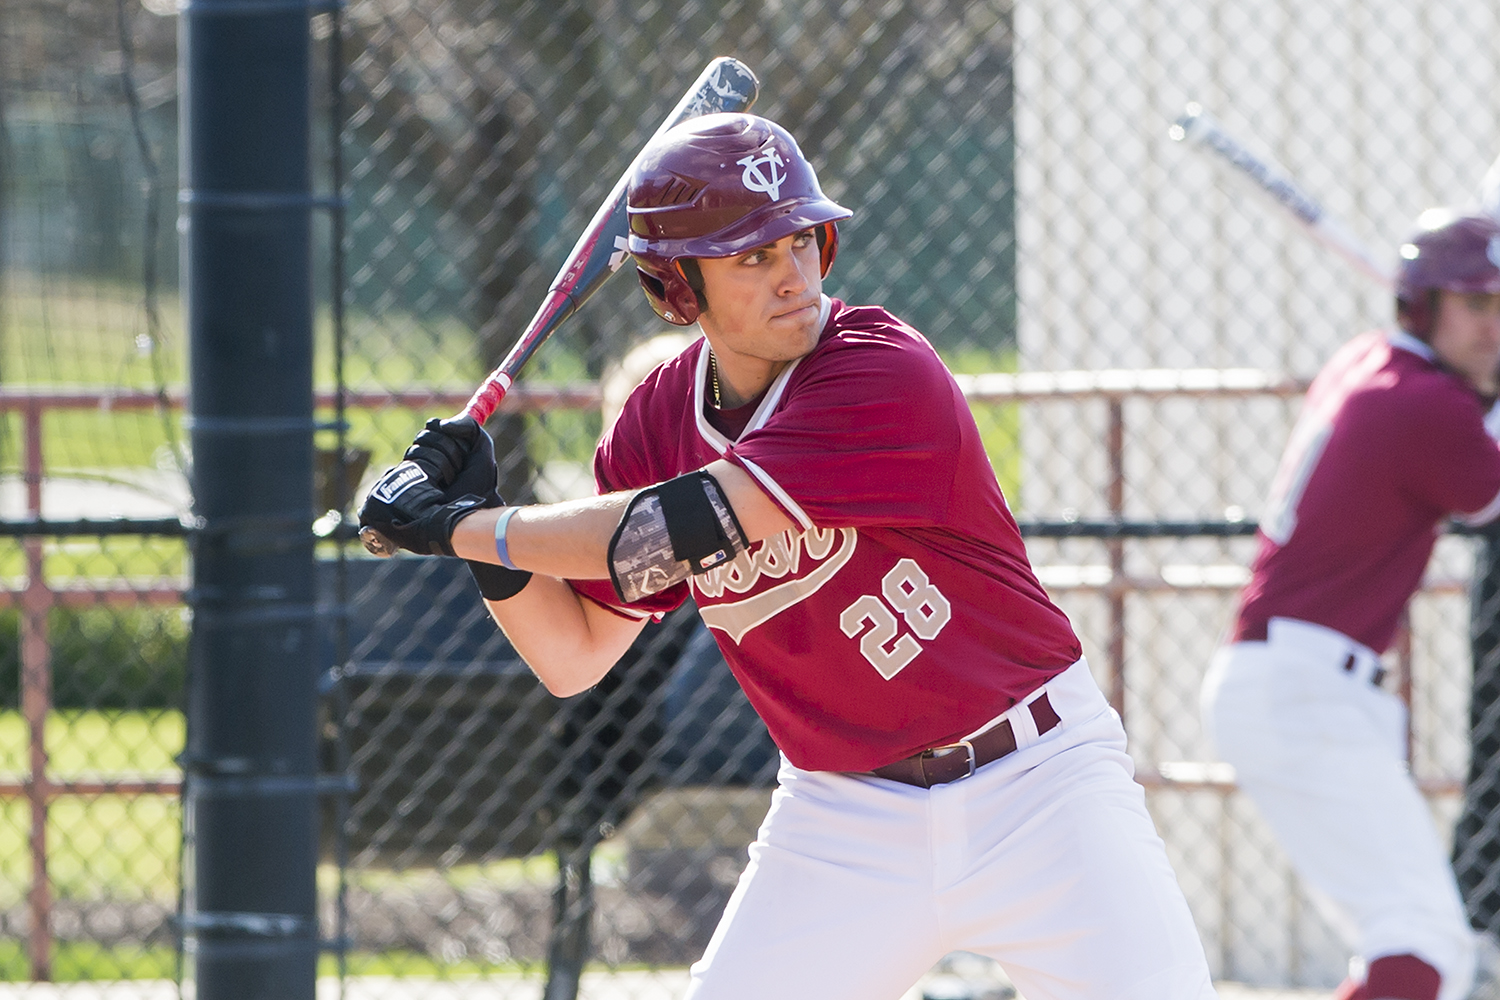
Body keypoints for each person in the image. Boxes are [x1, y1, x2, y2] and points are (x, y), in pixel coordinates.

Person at [360, 112, 1216, 1000]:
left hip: (1036, 786)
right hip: (844, 821)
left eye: (802, 241)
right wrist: (487, 534)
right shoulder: (657, 423)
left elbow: (682, 527)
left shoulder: (880, 371)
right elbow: (573, 654)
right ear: (676, 291)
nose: (793, 276)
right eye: (751, 257)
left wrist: (456, 525)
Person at [1200, 209, 1500, 1000]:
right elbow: (1485, 490)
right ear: (1422, 306)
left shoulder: (1371, 362)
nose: (1493, 328)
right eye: (1476, 306)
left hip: (1299, 685)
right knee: (1427, 945)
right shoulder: (1426, 407)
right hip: (1307, 691)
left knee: (1412, 945)